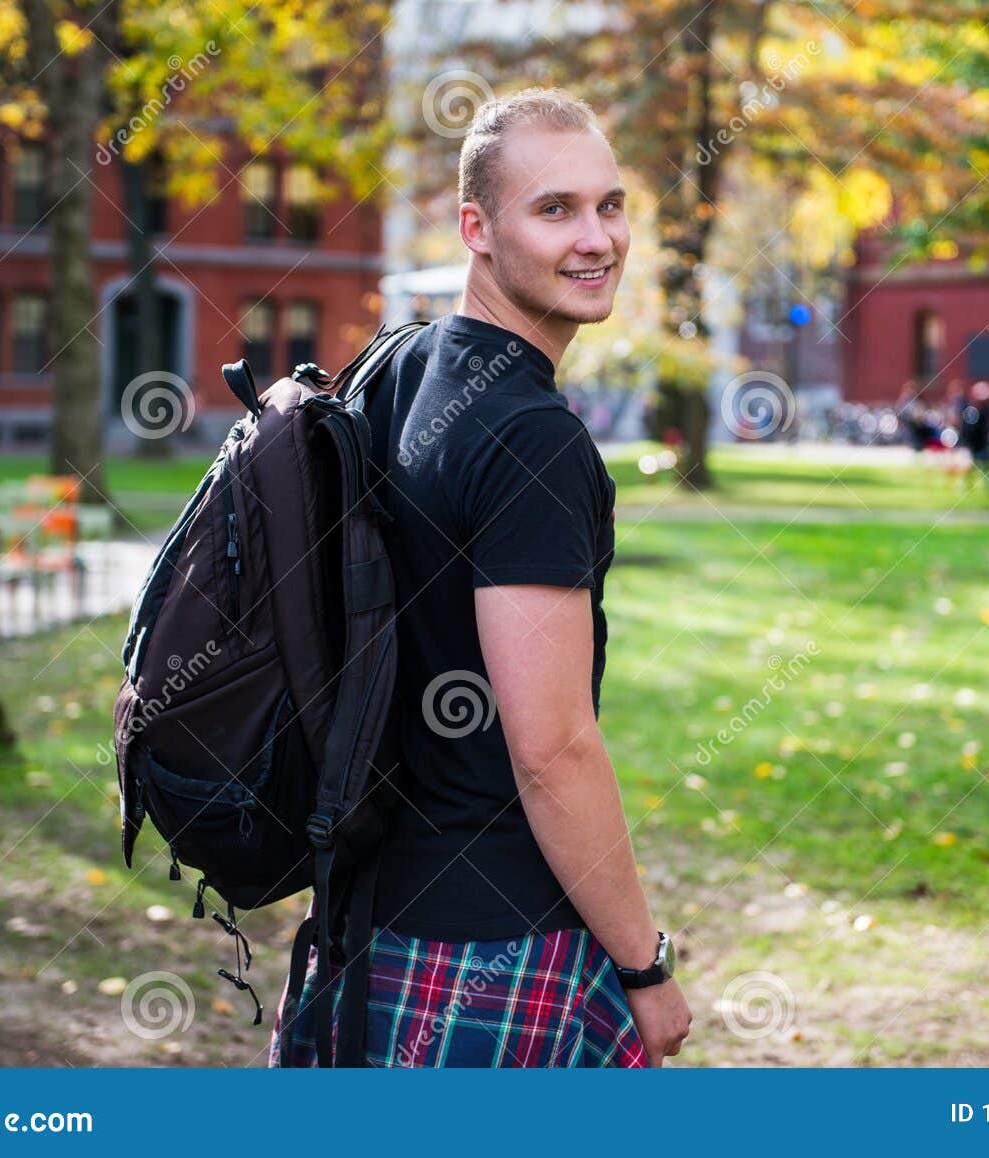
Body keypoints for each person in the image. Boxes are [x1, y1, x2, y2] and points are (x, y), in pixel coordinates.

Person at [270, 88, 691, 1068]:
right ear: (477, 228)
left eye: (610, 204)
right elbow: (552, 751)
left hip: (361, 924)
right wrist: (643, 966)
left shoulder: (392, 368)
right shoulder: (532, 440)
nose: (597, 238)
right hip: (488, 946)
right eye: (554, 210)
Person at [960, 380, 989, 490]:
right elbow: (967, 427)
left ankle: (987, 488)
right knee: (972, 466)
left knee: (985, 467)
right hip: (974, 443)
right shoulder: (971, 409)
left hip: (983, 442)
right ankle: (968, 486)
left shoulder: (986, 408)